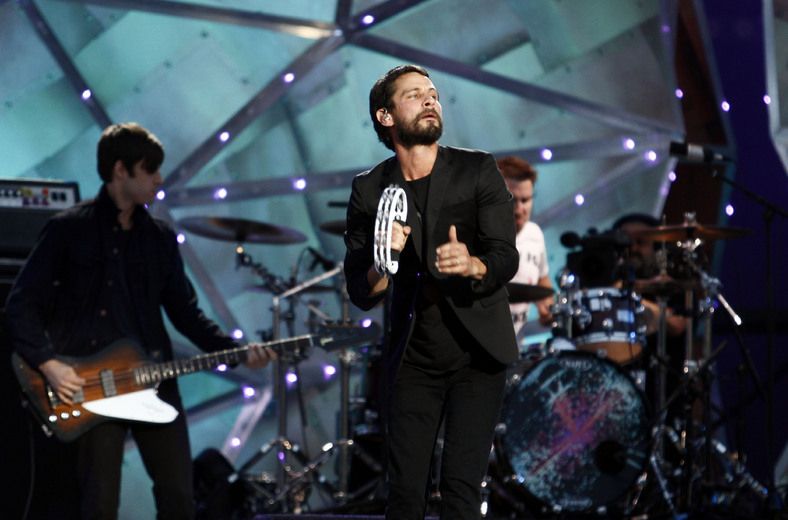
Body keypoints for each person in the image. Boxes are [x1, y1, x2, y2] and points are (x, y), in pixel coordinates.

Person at [4, 122, 274, 520]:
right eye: (150, 169)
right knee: (99, 505)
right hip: (95, 388)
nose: (159, 179)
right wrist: (50, 364)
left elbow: (187, 315)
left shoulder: (160, 238)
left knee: (179, 498)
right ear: (120, 170)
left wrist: (237, 352)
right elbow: (20, 304)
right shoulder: (68, 229)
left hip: (155, 381)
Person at [343, 65, 519, 520]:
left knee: (460, 493)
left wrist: (474, 264)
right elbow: (362, 290)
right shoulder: (369, 189)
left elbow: (505, 256)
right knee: (405, 496)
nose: (429, 100)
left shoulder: (476, 169)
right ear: (385, 116)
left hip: (477, 354)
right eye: (414, 94)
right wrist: (383, 259)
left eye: (433, 93)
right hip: (414, 359)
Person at [496, 156, 553, 335]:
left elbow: (542, 278)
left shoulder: (535, 234)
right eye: (512, 199)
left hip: (515, 341)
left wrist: (547, 305)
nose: (519, 208)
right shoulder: (478, 235)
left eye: (526, 200)